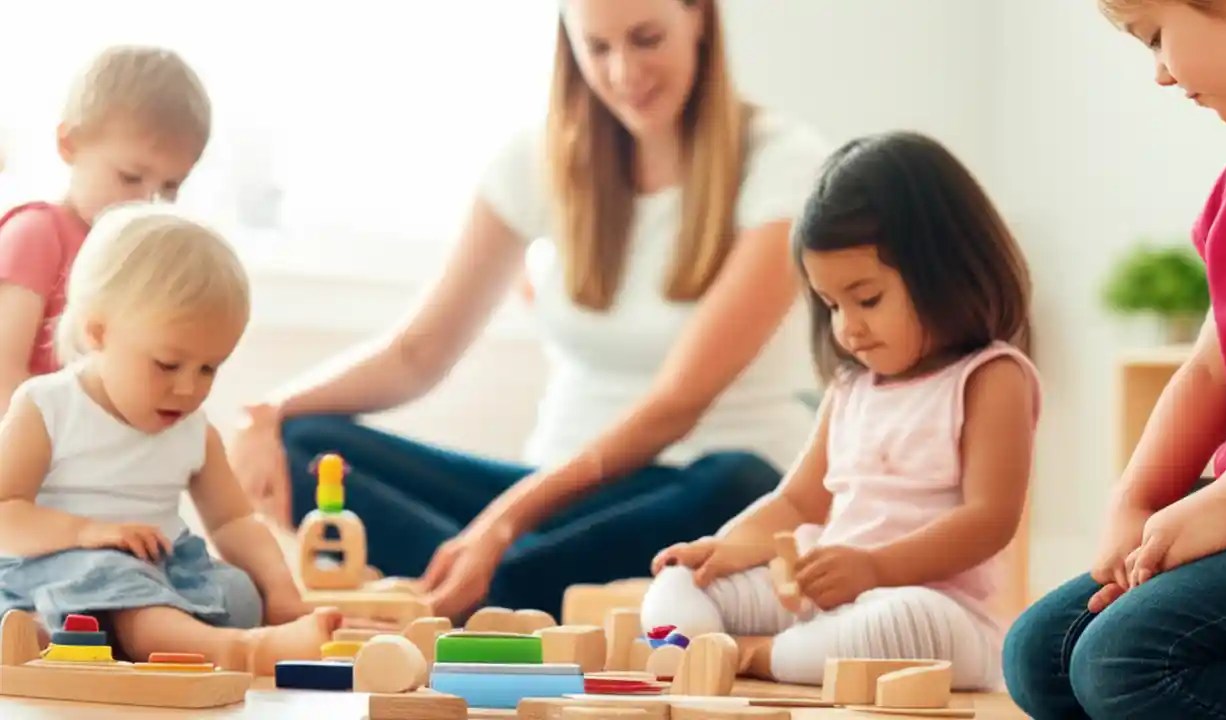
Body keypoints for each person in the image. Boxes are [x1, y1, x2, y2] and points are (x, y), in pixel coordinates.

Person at [228, 0, 829, 620]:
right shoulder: (538, 158)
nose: (625, 72)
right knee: (310, 442)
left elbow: (675, 404)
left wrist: (503, 523)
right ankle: (500, 587)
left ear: (699, 19)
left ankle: (482, 583)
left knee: (741, 481)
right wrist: (269, 414)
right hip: (551, 497)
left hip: (693, 492)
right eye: (598, 48)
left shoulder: (783, 163)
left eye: (647, 39)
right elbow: (418, 352)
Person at [639, 132, 1039, 688]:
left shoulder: (990, 378)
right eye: (831, 305)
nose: (848, 326)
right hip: (825, 597)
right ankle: (706, 652)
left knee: (902, 625)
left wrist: (876, 570)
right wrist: (726, 549)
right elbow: (798, 500)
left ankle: (752, 656)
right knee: (682, 582)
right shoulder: (852, 387)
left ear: (945, 273)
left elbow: (989, 521)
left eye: (867, 298)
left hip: (934, 609)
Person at [1003, 1, 1226, 717]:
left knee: (1125, 661)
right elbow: (1210, 371)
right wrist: (1135, 500)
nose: (1158, 73)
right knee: (1044, 656)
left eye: (1156, 37)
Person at [0, 204, 340, 675]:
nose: (188, 388)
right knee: (115, 579)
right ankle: (233, 651)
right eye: (167, 364)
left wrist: (280, 589)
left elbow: (234, 522)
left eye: (208, 368)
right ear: (99, 333)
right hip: (58, 562)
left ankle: (141, 639)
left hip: (159, 565)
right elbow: (5, 513)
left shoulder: (194, 430)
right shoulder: (45, 406)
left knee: (239, 591)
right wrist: (86, 532)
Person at [0, 44, 211, 418]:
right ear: (70, 144)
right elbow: (4, 372)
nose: (147, 202)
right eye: (130, 177)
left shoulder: (138, 256)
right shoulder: (35, 235)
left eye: (170, 188)